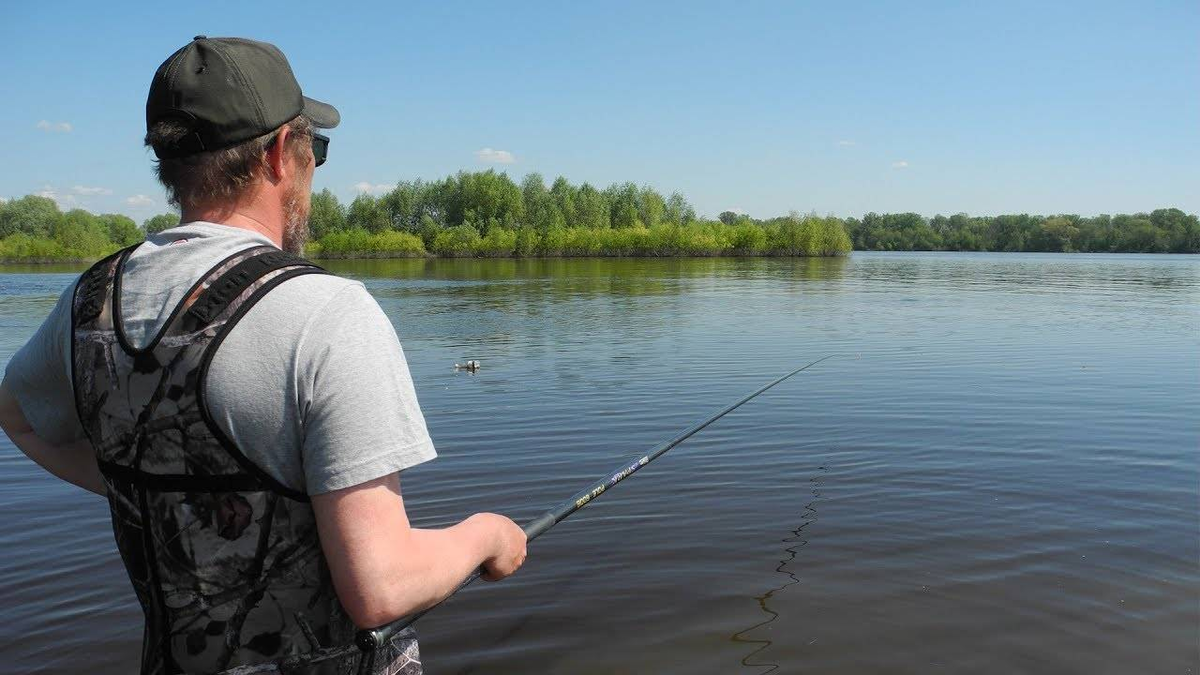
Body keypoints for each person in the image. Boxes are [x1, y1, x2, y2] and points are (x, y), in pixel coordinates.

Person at [0, 36, 526, 675]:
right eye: (317, 152)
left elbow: (17, 414)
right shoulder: (328, 313)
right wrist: (488, 535)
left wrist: (136, 489)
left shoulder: (88, 302)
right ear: (281, 154)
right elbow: (380, 587)